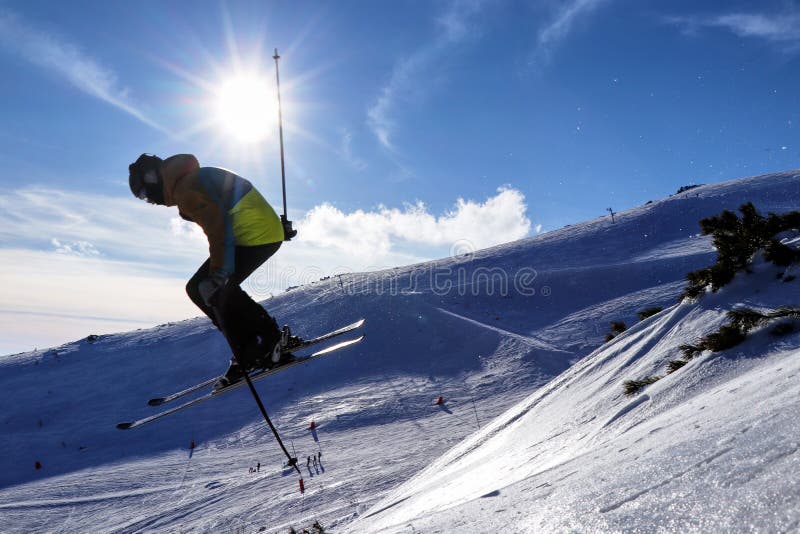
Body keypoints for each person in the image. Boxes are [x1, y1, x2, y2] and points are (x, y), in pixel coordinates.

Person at [128, 153, 296, 388]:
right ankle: (261, 342)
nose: (150, 201)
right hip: (259, 232)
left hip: (255, 236)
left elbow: (218, 229)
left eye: (144, 193)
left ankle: (260, 346)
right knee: (200, 288)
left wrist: (219, 274)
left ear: (152, 179)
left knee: (209, 289)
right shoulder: (191, 179)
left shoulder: (186, 189)